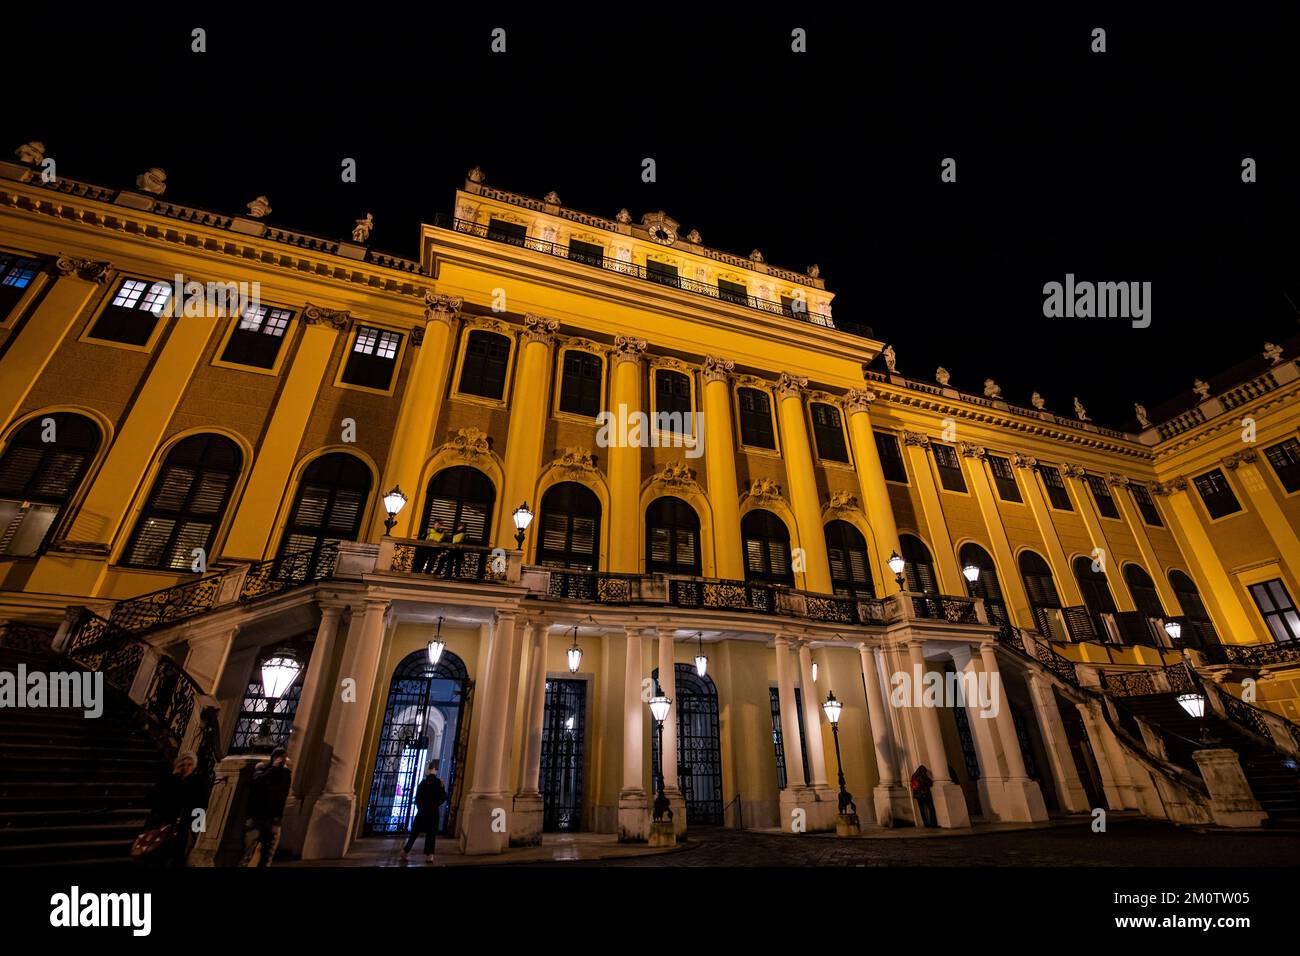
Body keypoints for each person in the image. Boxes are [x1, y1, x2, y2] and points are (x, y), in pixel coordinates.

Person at [138, 751, 207, 867]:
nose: (186, 767)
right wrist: (173, 776)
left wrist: (197, 828)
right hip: (160, 823)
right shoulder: (168, 778)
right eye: (182, 764)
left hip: (181, 826)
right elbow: (152, 798)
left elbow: (201, 804)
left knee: (176, 856)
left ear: (194, 766)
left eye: (189, 764)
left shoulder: (197, 782)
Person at [241, 747, 292, 866]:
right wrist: (273, 768)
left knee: (267, 856)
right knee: (248, 852)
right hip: (257, 816)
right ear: (274, 757)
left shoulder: (285, 774)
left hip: (274, 818)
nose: (283, 761)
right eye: (281, 758)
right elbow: (258, 783)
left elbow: (283, 793)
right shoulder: (263, 769)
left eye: (284, 758)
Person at [400, 762, 447, 863]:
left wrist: (421, 807)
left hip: (422, 811)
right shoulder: (439, 783)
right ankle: (429, 855)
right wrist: (435, 804)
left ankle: (405, 850)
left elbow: (417, 799)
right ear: (435, 771)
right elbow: (443, 797)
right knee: (431, 834)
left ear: (427, 771)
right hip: (433, 812)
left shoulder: (423, 783)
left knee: (415, 832)